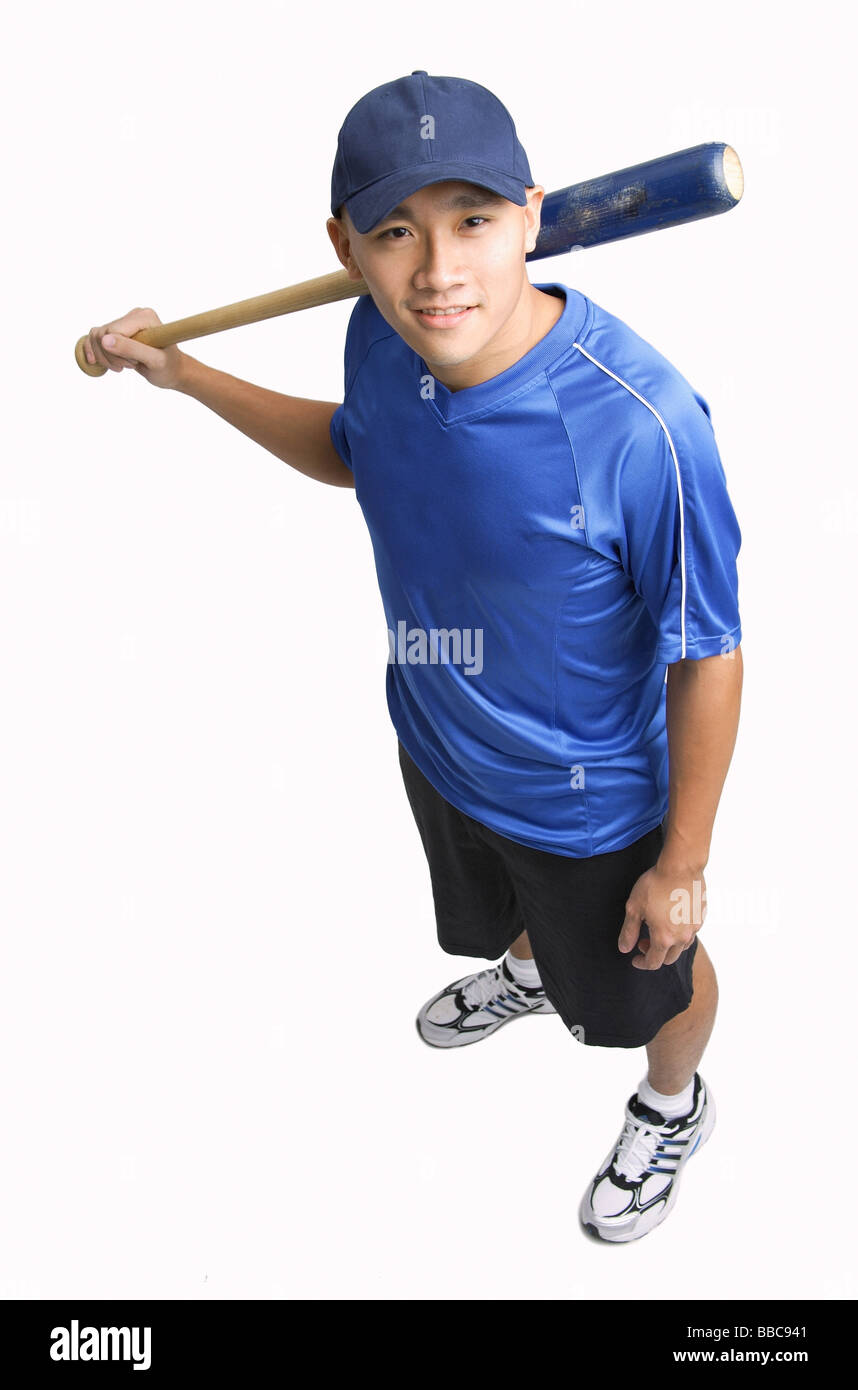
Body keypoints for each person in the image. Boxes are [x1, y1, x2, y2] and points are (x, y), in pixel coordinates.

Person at [83, 71, 744, 1244]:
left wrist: (682, 860)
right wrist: (180, 373)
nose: (438, 272)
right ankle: (531, 970)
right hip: (437, 741)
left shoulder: (642, 429)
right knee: (507, 919)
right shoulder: (381, 340)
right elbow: (357, 451)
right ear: (344, 246)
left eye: (474, 221)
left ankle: (673, 1101)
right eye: (396, 233)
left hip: (589, 804)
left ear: (533, 218)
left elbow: (709, 650)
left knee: (660, 982)